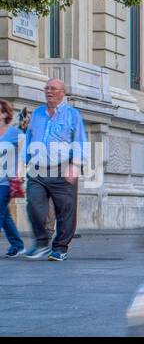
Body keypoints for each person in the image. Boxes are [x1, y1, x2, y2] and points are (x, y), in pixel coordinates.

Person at [21, 78, 89, 262]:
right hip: (37, 170)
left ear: (62, 92)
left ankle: (60, 248)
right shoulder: (38, 113)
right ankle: (42, 243)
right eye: (46, 88)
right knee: (34, 205)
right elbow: (29, 138)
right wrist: (23, 162)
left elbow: (80, 140)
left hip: (62, 169)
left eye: (53, 89)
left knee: (65, 211)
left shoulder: (72, 115)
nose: (48, 91)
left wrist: (74, 166)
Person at [0, 100, 24, 258]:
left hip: (6, 182)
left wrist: (20, 173)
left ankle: (17, 245)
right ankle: (17, 244)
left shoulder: (15, 133)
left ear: (4, 114)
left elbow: (24, 154)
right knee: (5, 215)